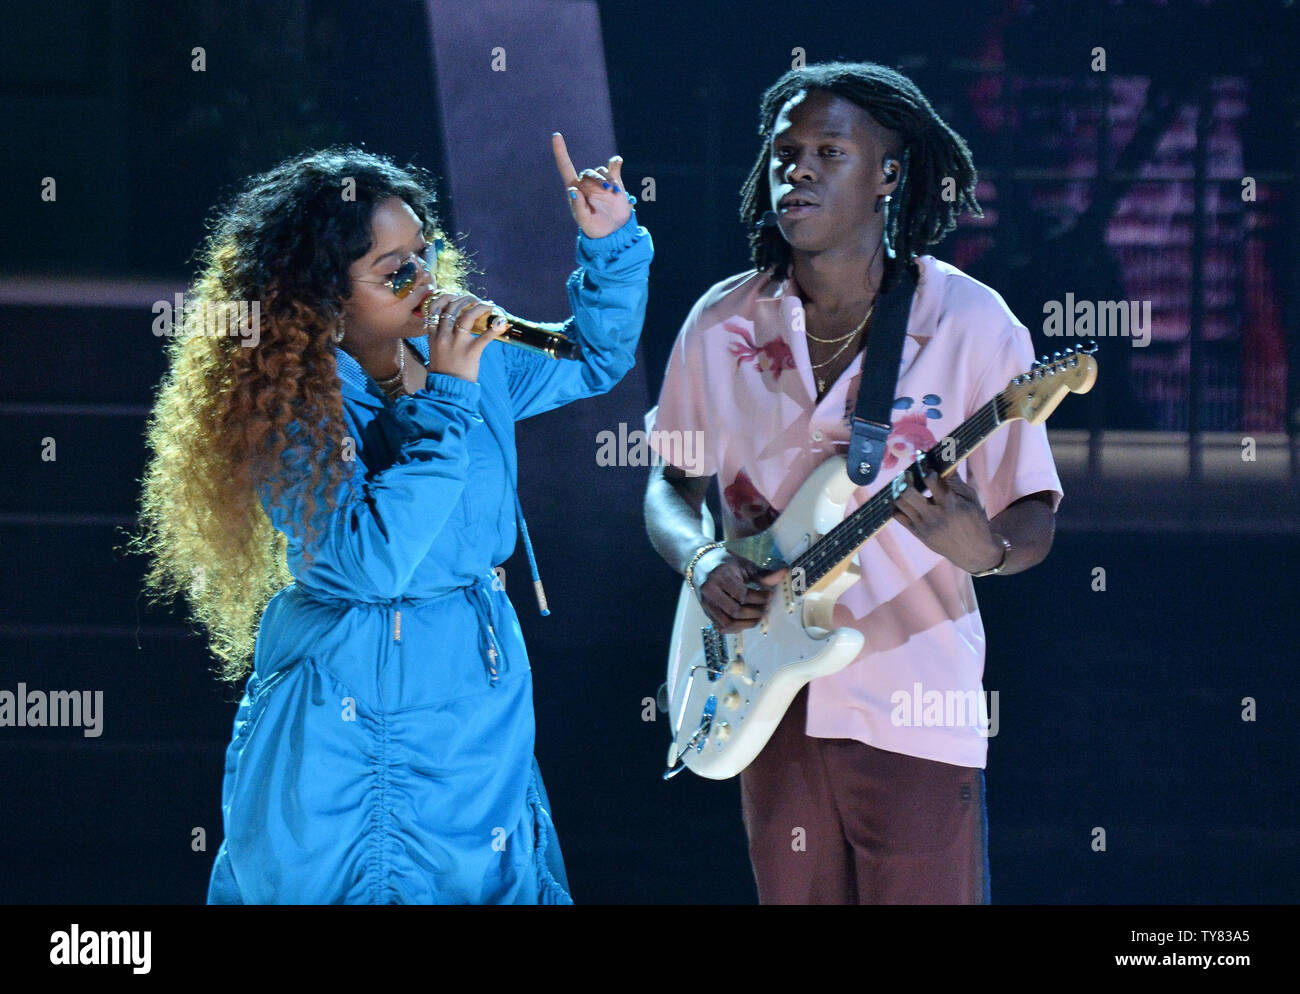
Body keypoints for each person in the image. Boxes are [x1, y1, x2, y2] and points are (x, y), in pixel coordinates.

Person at [134, 136, 652, 903]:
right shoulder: (292, 405)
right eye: (395, 270)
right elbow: (370, 563)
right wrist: (447, 394)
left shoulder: (471, 353)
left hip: (473, 686)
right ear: (321, 296)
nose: (426, 279)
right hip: (343, 694)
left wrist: (609, 245)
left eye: (427, 252)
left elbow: (592, 359)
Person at [644, 62, 1062, 904]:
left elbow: (1032, 513)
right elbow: (667, 485)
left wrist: (984, 550)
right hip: (760, 695)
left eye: (828, 151)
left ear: (889, 175)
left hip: (914, 697)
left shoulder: (971, 323)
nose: (795, 169)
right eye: (784, 152)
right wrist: (699, 562)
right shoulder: (719, 322)